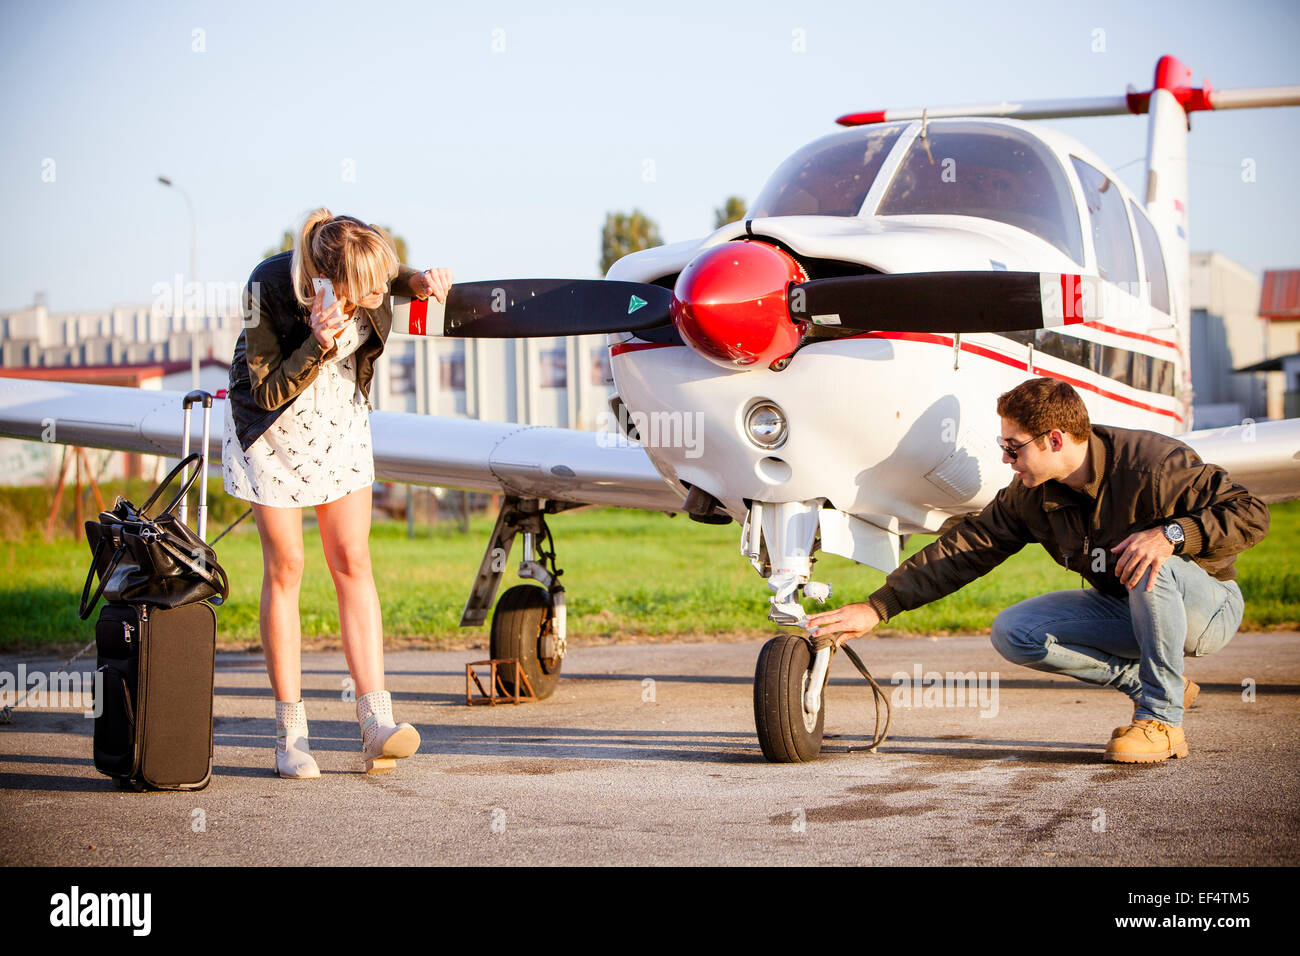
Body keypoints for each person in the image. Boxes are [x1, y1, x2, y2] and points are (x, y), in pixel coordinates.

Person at [806, 377, 1270, 763]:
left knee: (1151, 561)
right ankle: (1162, 683)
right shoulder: (1029, 494)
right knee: (1016, 631)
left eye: (1013, 447)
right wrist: (878, 606)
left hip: (1206, 611)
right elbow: (969, 547)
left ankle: (1162, 722)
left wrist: (1171, 535)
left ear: (1054, 439)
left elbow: (1251, 513)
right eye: (1002, 445)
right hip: (1129, 608)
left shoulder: (1153, 464)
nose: (1006, 459)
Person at [222, 208, 453, 777]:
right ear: (330, 280)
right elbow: (268, 387)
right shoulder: (267, 286)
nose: (381, 294)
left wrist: (417, 280)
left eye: (384, 281)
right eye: (369, 286)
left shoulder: (366, 273)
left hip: (338, 421)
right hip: (270, 428)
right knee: (288, 566)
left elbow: (388, 274)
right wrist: (317, 344)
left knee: (352, 560)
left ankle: (376, 724)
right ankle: (290, 736)